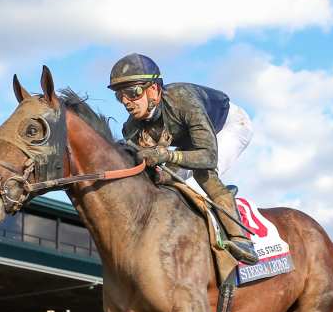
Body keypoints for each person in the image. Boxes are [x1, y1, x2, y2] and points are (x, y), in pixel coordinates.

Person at [108, 53, 257, 263]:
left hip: (229, 126)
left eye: (133, 92)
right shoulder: (132, 128)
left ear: (154, 89)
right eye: (120, 96)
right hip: (192, 139)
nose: (126, 102)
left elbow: (208, 157)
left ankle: (240, 238)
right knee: (162, 180)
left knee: (201, 175)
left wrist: (167, 154)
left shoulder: (184, 100)